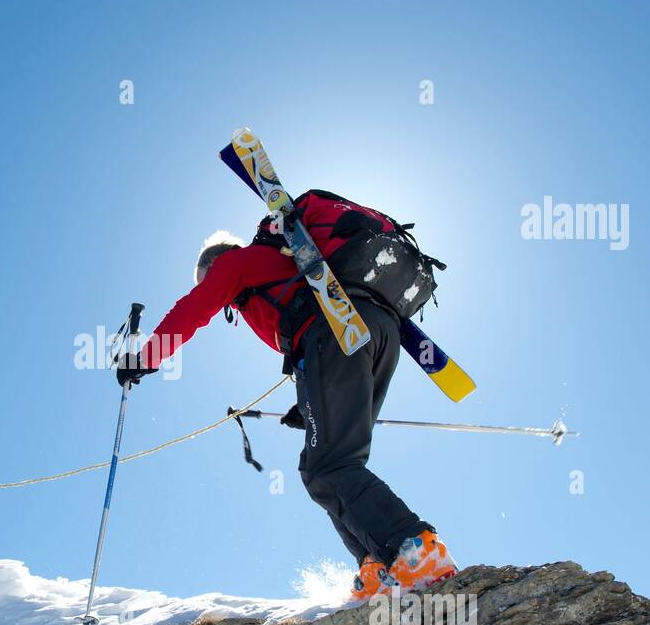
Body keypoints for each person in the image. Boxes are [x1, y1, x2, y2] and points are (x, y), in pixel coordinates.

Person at [118, 192, 457, 603]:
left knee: (331, 464)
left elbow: (194, 309)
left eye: (207, 279)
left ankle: (414, 550)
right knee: (320, 467)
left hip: (336, 330)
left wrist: (147, 357)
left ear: (213, 266)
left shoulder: (236, 264)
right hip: (377, 331)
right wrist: (308, 400)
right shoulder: (284, 265)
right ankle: (376, 564)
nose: (213, 288)